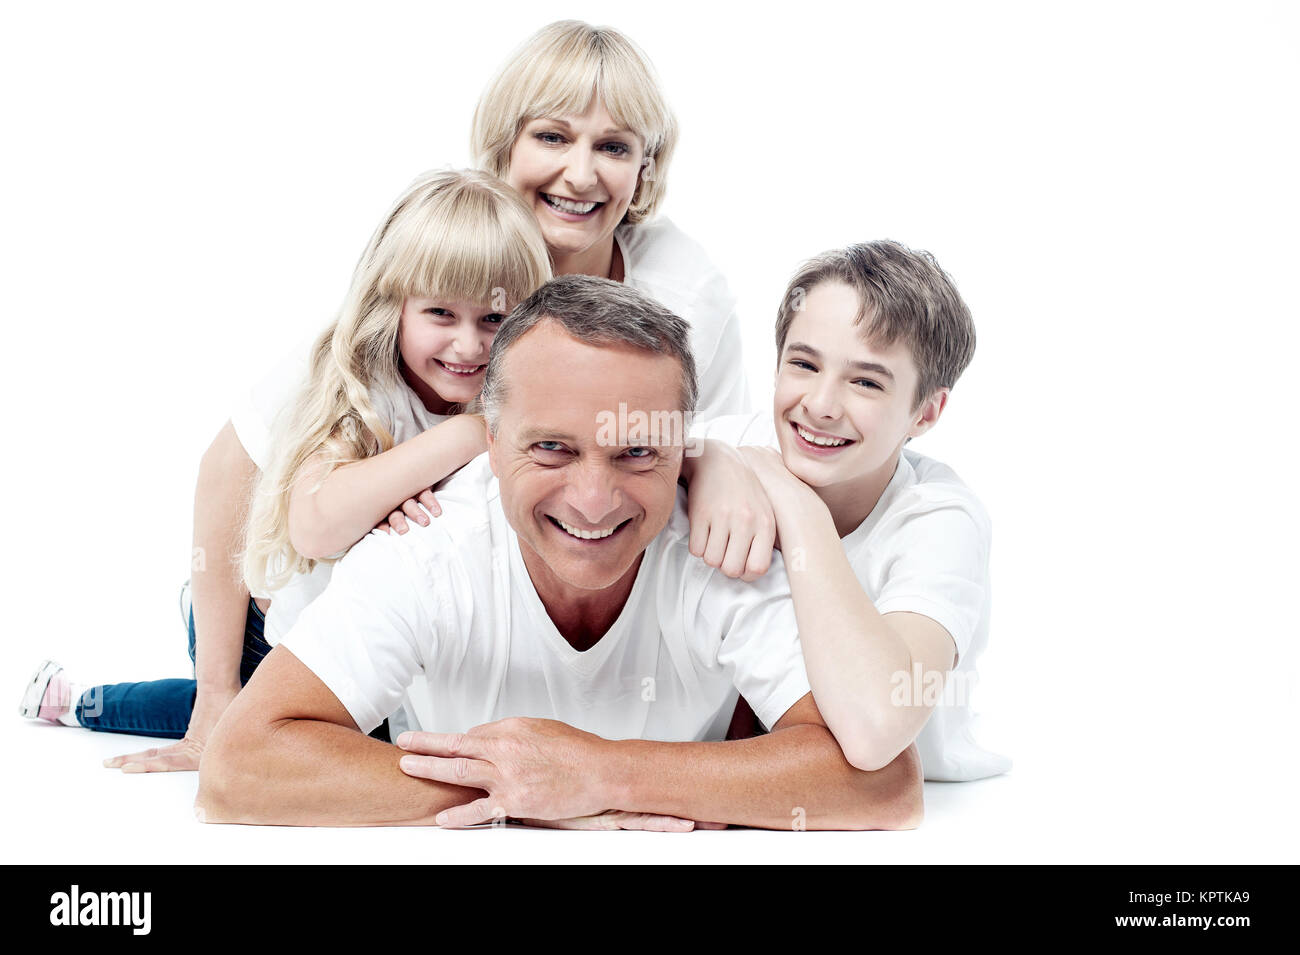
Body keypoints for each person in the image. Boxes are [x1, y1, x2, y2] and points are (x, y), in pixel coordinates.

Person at [195, 275, 923, 830]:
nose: (593, 499)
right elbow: (237, 764)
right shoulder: (429, 543)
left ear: (684, 451)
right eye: (550, 448)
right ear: (488, 442)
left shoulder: (719, 542)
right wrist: (524, 788)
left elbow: (885, 782)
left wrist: (603, 774)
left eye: (637, 452)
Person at [19, 169, 553, 765]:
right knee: (242, 719)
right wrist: (465, 434)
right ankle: (79, 704)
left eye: (494, 320)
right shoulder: (358, 383)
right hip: (264, 633)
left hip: (385, 654)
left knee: (376, 733)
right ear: (394, 306)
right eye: (440, 314)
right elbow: (316, 526)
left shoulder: (521, 393)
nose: (468, 346)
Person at [687, 241, 1011, 781]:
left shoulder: (940, 521)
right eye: (803, 364)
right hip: (739, 783)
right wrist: (703, 459)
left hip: (895, 806)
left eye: (865, 382)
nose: (820, 405)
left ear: (926, 412)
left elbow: (872, 733)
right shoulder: (726, 446)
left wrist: (800, 511)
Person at [472, 19, 751, 422]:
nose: (581, 176)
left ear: (644, 168)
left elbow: (722, 451)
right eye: (553, 137)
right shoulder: (439, 248)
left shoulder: (688, 292)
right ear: (505, 146)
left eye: (613, 147)